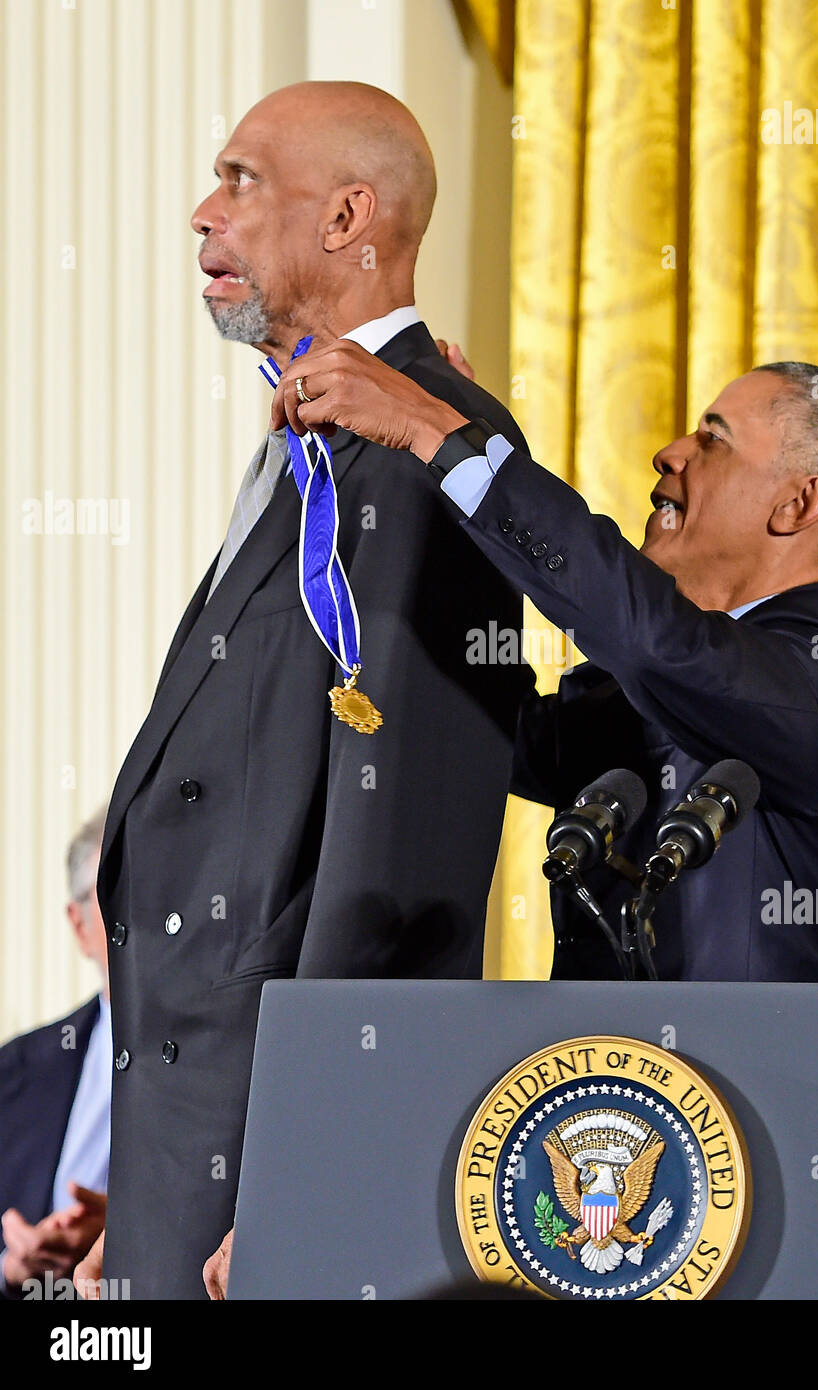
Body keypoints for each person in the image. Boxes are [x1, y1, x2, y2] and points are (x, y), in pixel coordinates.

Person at [77, 82, 528, 1301]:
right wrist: (154, 1177)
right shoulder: (311, 435)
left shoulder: (431, 440)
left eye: (239, 182)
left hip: (273, 1161)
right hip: (194, 1137)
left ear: (346, 219)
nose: (199, 213)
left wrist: (311, 1167)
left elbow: (403, 844)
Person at [266, 337, 818, 985]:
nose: (669, 452)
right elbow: (488, 724)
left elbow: (657, 643)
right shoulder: (632, 679)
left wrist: (444, 435)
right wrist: (426, 486)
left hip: (738, 1083)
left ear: (797, 504)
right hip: (589, 1076)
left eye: (713, 439)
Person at [0, 808, 110, 1298]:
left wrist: (126, 1232)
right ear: (79, 924)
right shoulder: (13, 1071)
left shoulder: (255, 1065)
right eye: (117, 892)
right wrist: (12, 1268)